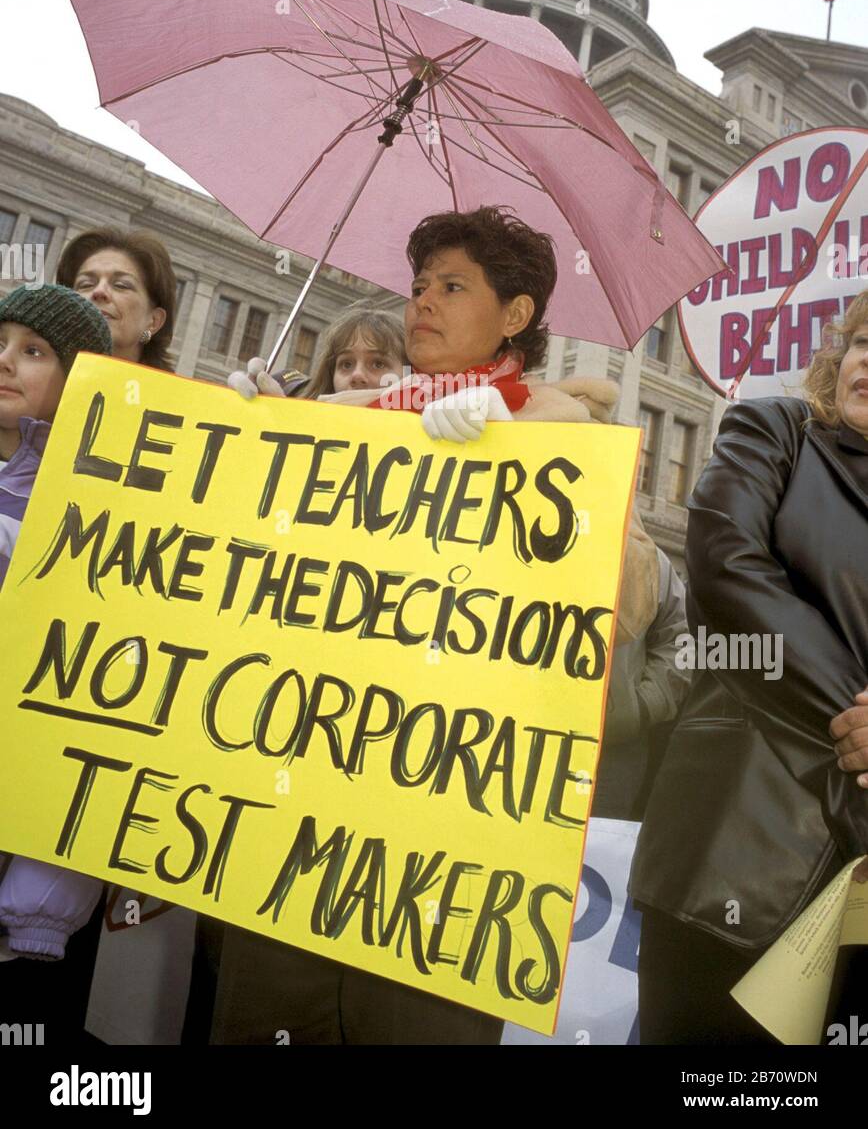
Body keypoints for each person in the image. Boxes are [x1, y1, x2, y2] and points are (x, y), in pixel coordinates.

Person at [197, 205, 659, 1045]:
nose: (422, 302)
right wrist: (245, 438)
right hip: (300, 801)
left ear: (515, 315)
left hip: (453, 831)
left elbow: (624, 608)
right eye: (417, 285)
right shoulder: (346, 416)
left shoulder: (566, 428)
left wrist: (507, 456)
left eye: (452, 286)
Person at [629, 291, 868, 1045]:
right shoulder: (774, 429)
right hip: (736, 853)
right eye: (866, 342)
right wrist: (856, 723)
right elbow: (728, 568)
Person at [0, 284, 113, 1044]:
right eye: (0, 342)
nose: (6, 361)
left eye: (34, 352)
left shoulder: (107, 501)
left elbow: (98, 721)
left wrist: (37, 911)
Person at [592, 546, 691, 823]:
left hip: (615, 751)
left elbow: (680, 639)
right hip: (510, 737)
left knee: (595, 855)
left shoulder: (646, 557)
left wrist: (643, 706)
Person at [56, 226, 175, 370]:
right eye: (86, 284)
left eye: (121, 285)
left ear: (154, 321)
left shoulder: (169, 393)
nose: (99, 291)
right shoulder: (35, 386)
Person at [229, 305, 406, 399]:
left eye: (378, 364)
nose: (357, 375)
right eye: (346, 364)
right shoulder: (288, 391)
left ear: (408, 374)